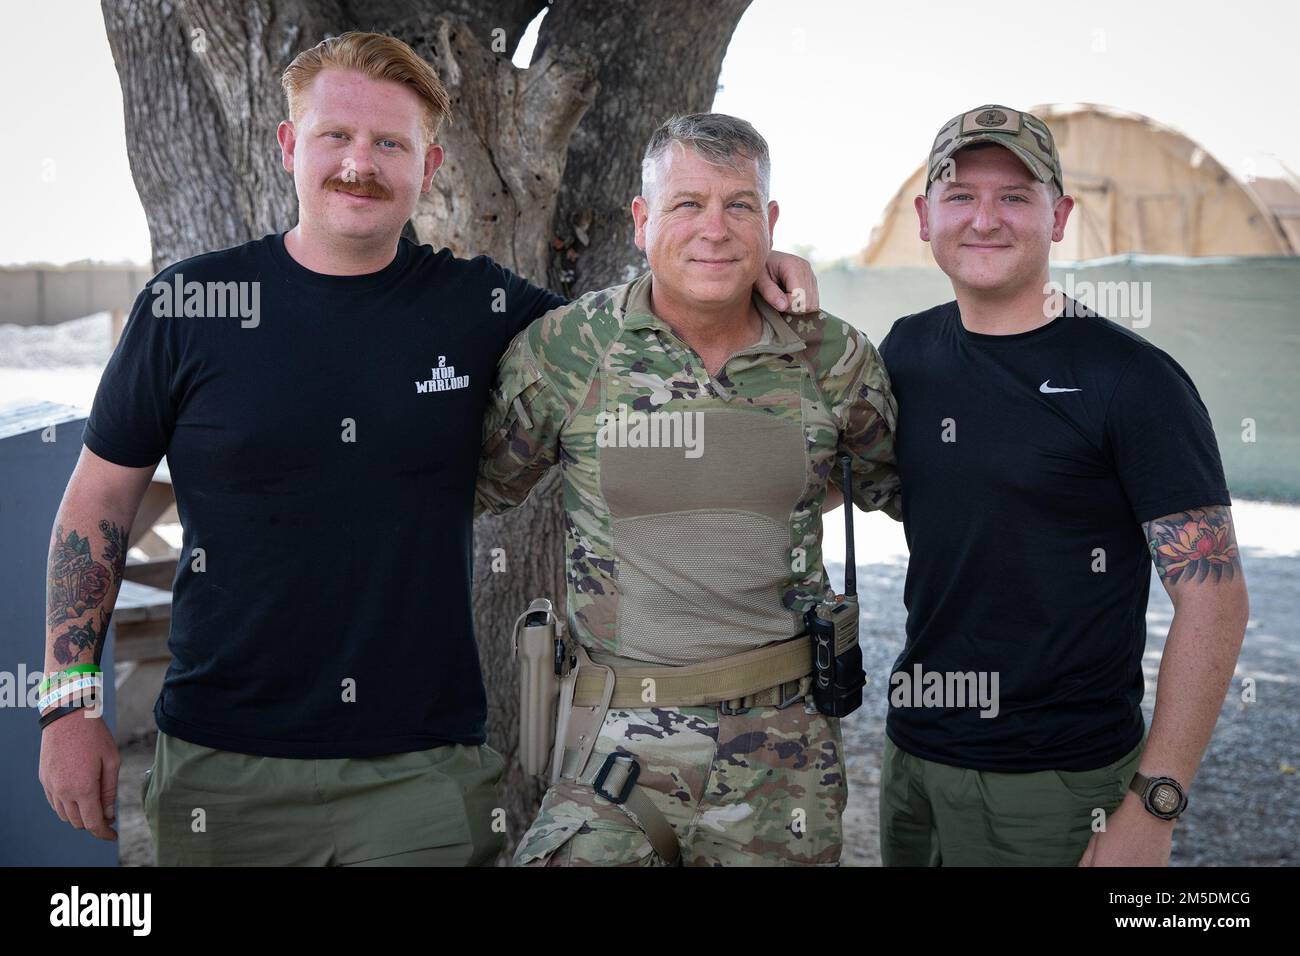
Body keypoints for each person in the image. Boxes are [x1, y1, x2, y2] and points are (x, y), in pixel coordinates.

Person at [36, 32, 816, 866]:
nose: (358, 164)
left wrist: (748, 264)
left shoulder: (476, 306)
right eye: (336, 136)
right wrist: (67, 702)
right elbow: (98, 502)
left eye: (390, 144)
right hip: (224, 766)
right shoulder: (189, 307)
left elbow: (639, 331)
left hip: (423, 774)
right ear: (291, 147)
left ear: (429, 165)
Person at [477, 113, 900, 866]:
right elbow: (475, 486)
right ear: (642, 221)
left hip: (785, 753)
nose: (716, 228)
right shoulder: (570, 350)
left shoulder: (832, 358)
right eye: (686, 204)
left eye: (739, 205)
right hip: (614, 751)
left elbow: (894, 487)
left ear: (769, 222)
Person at [876, 104, 1249, 866]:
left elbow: (1215, 599)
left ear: (1059, 216)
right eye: (959, 194)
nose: (985, 218)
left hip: (1057, 784)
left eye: (1015, 196)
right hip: (912, 758)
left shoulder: (1132, 380)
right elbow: (828, 466)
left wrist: (1155, 805)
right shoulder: (907, 350)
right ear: (923, 216)